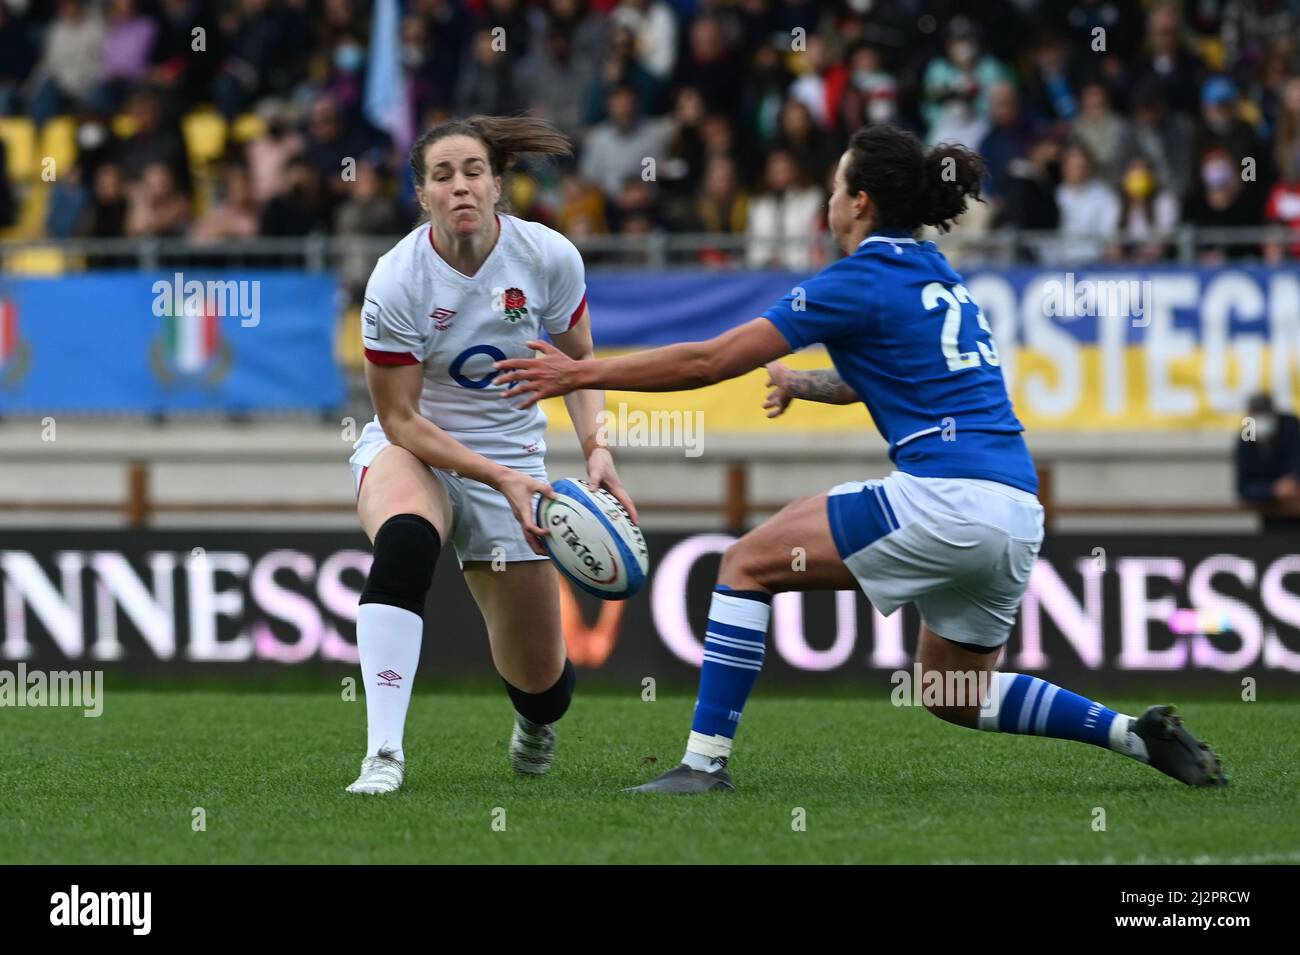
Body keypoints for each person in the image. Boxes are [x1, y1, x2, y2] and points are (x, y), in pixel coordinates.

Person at [496, 125, 1227, 794]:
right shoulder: (935, 271)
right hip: (1014, 507)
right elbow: (889, 370)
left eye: (835, 188)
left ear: (860, 201)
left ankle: (702, 765)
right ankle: (1136, 734)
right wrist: (804, 384)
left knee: (743, 564)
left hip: (947, 498)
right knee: (954, 695)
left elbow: (711, 359)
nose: (827, 202)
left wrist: (578, 373)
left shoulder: (858, 278)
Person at [344, 115, 637, 794]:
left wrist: (598, 450)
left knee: (543, 689)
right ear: (422, 196)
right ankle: (383, 754)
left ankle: (534, 720)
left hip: (513, 458)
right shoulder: (396, 279)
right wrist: (498, 477)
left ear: (498, 184)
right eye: (442, 175)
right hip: (415, 447)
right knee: (407, 542)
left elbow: (580, 364)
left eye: (473, 171)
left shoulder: (549, 257)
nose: (461, 186)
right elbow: (401, 418)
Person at [1236, 393, 1300, 533]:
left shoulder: (1292, 428)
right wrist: (1272, 489)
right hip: (1271, 514)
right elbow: (1243, 487)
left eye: (1265, 415)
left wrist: (1293, 481)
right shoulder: (1247, 438)